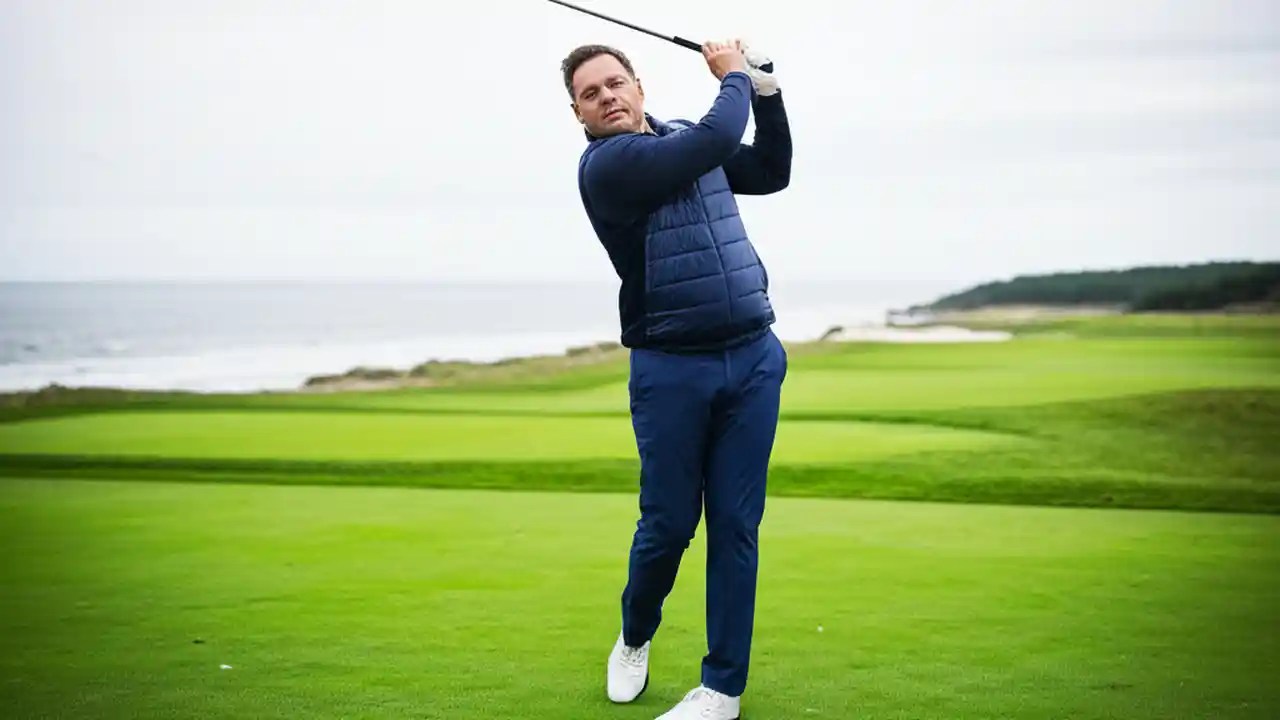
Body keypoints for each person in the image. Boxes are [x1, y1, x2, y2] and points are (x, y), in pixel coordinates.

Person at [560, 38, 792, 720]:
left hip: (752, 358)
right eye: (590, 93)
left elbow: (772, 170)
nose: (606, 96)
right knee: (667, 524)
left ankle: (722, 689)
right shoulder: (611, 166)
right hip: (671, 368)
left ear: (637, 83)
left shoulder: (688, 137)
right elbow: (717, 133)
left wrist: (769, 94)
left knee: (736, 525)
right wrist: (734, 78)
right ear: (577, 112)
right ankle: (635, 635)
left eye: (614, 83)